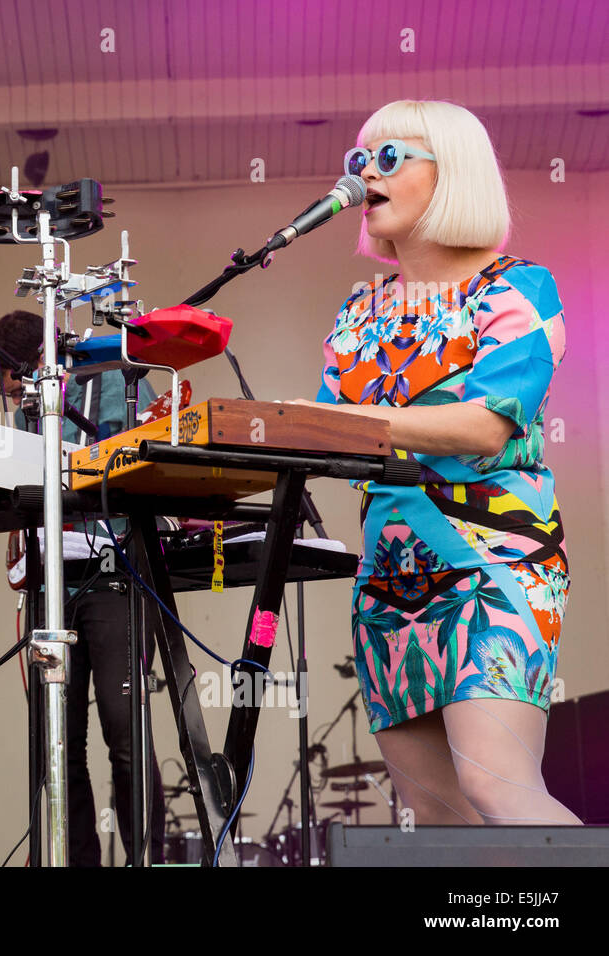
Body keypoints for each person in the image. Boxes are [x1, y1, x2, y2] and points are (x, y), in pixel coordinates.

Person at [289, 100, 578, 826]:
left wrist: (349, 421)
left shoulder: (518, 289)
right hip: (388, 580)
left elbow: (484, 425)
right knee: (438, 818)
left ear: (455, 175)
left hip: (495, 565)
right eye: (357, 161)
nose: (363, 177)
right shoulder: (358, 313)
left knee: (498, 789)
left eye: (388, 159)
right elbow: (329, 441)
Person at [0, 310, 165, 866]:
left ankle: (145, 861)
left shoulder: (111, 376)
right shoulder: (25, 413)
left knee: (125, 731)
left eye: (17, 387)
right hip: (53, 580)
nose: (18, 402)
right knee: (59, 744)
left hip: (114, 573)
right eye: (11, 396)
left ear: (38, 359)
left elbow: (134, 451)